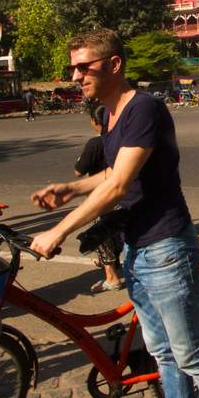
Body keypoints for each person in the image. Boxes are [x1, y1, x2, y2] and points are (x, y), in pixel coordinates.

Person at [28, 28, 199, 398]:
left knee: (191, 354)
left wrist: (58, 230)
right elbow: (113, 173)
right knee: (162, 354)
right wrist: (72, 186)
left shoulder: (144, 108)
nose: (76, 75)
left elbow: (120, 184)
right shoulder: (109, 115)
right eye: (74, 67)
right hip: (136, 246)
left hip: (165, 244)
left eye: (84, 66)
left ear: (114, 65)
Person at [76, 102, 125, 293]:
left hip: (103, 196)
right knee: (121, 231)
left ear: (95, 121)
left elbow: (79, 171)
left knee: (102, 235)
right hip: (124, 193)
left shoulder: (95, 143)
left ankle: (112, 277)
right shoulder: (124, 138)